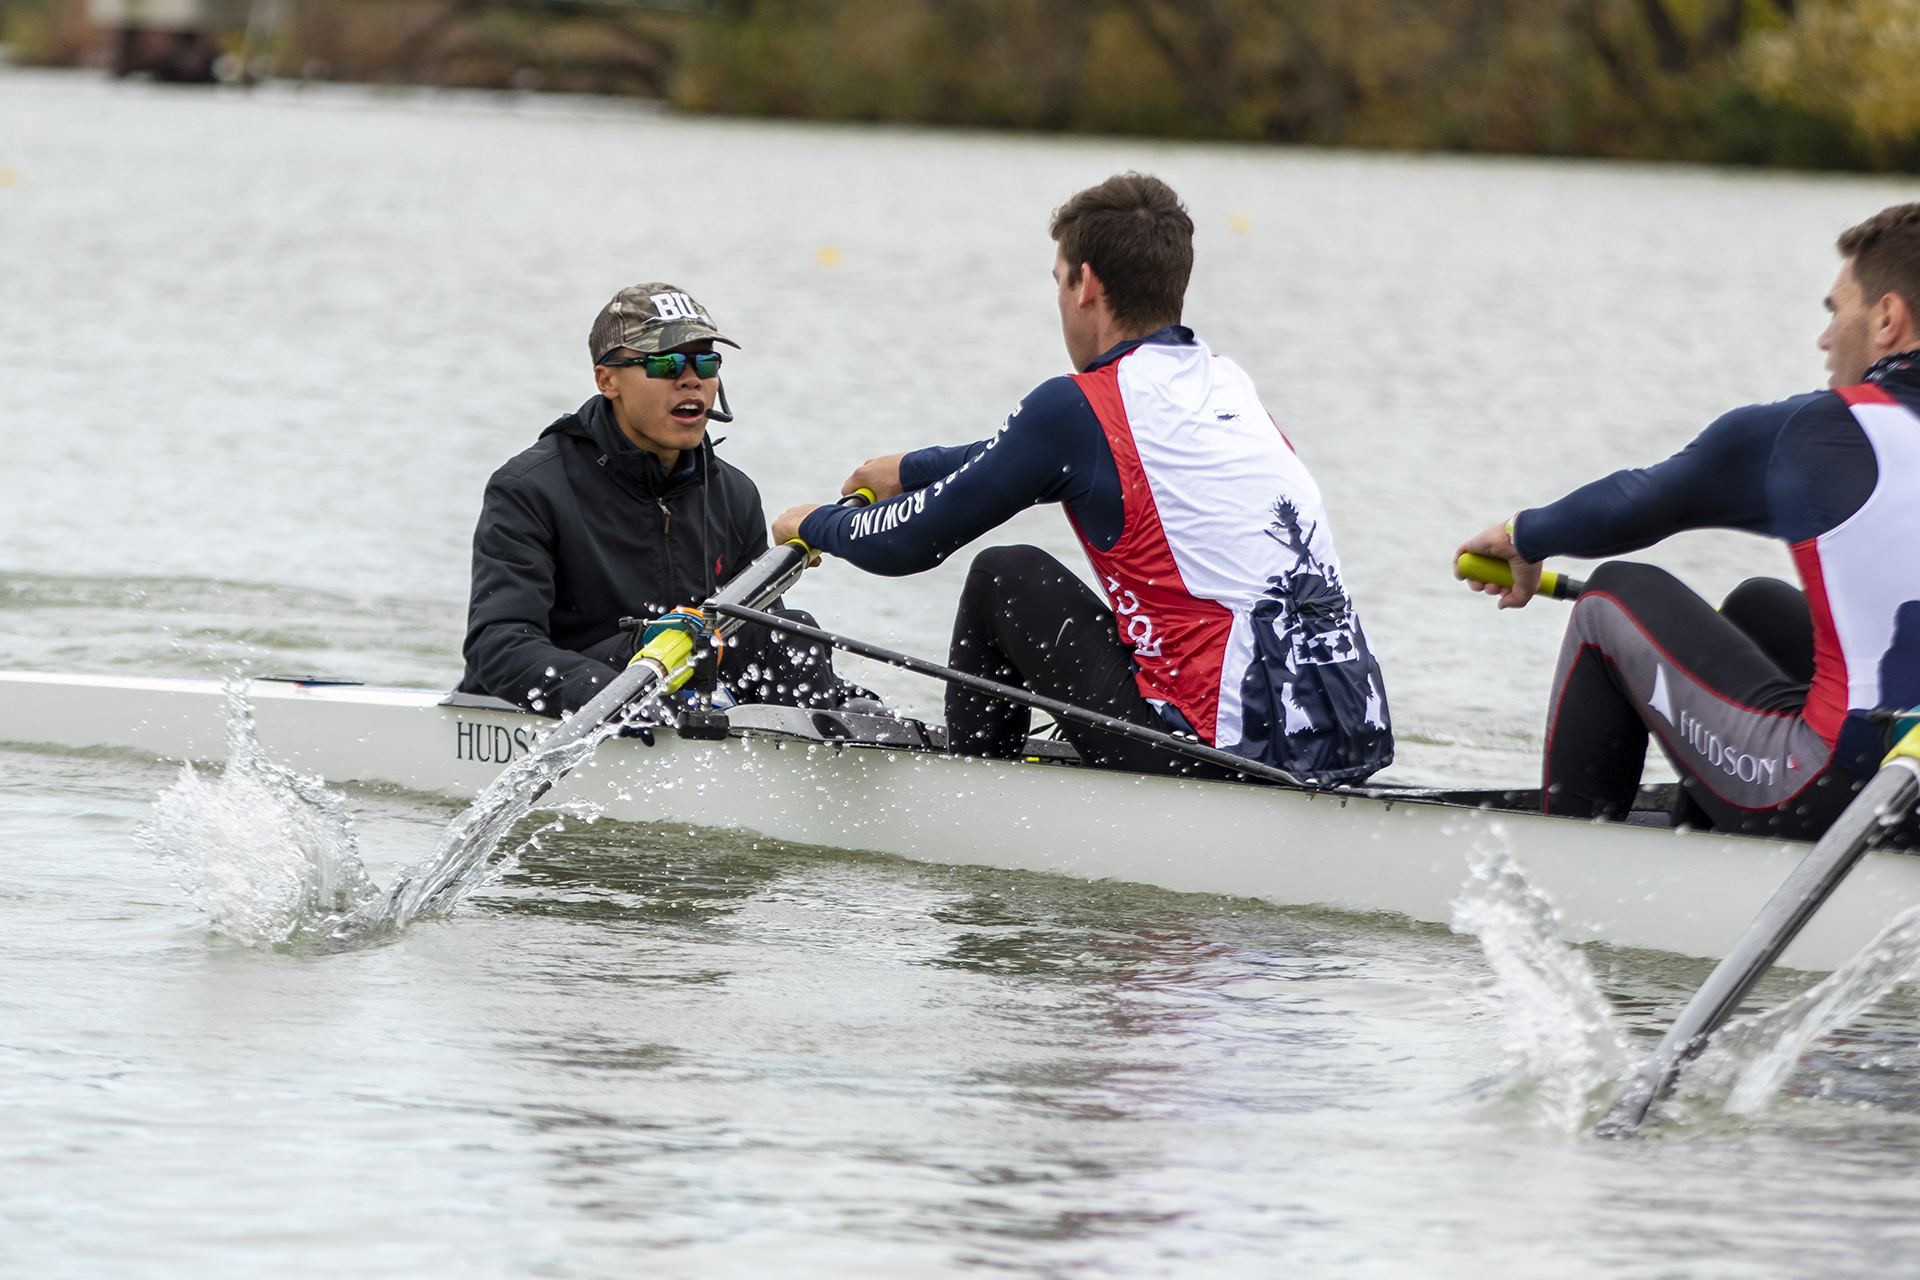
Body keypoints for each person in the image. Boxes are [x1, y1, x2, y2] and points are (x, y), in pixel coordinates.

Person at [772, 174, 1392, 784]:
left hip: (1218, 759)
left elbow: (906, 544)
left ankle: (973, 801)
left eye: (1058, 281)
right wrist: (908, 470)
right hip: (1343, 738)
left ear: (1085, 284)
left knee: (1004, 575)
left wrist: (819, 524)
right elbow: (1016, 457)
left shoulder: (1076, 407)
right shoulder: (1226, 385)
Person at [1456, 203, 1920, 838]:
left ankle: (1563, 880)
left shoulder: (1821, 432)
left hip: (1844, 793)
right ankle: (1701, 840)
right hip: (1907, 772)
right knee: (1758, 607)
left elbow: (1638, 503)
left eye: (1836, 311)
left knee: (1608, 601)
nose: (1824, 336)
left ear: (1888, 318)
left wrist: (1524, 536)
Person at [459, 283, 869, 718]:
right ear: (607, 379)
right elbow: (497, 646)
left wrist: (844, 700)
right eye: (666, 362)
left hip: (674, 693)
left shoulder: (735, 495)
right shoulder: (529, 488)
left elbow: (757, 646)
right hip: (569, 701)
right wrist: (611, 699)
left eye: (705, 361)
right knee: (667, 651)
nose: (691, 377)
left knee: (793, 635)